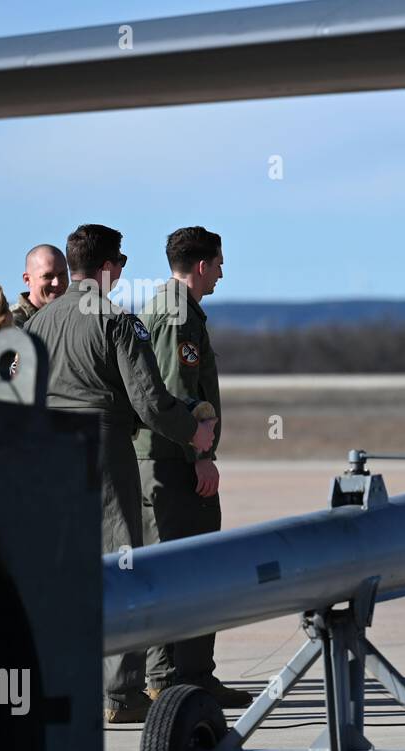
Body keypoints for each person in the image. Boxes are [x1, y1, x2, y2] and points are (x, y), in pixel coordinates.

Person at [25, 224, 217, 723]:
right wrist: (192, 434)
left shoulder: (37, 325)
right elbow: (151, 401)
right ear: (109, 267)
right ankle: (120, 693)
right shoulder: (116, 321)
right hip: (102, 448)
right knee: (121, 564)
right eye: (123, 263)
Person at [133, 227, 251, 708]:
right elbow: (177, 393)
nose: (222, 271)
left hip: (160, 458)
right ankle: (177, 677)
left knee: (170, 566)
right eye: (219, 262)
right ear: (201, 264)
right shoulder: (179, 316)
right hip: (175, 461)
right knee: (192, 568)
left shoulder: (158, 308)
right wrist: (200, 456)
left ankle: (183, 675)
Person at [9, 244, 69, 327]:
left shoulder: (76, 315)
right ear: (27, 279)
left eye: (62, 274)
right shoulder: (10, 324)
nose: (57, 282)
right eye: (48, 276)